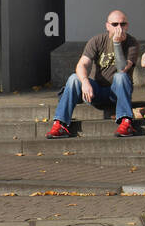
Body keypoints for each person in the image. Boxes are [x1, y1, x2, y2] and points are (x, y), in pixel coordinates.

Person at [45, 10, 140, 138]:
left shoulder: (132, 43)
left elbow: (122, 68)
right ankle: (60, 124)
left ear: (127, 26)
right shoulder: (97, 40)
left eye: (122, 24)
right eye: (115, 24)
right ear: (107, 26)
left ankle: (126, 122)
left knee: (121, 76)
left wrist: (117, 43)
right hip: (95, 91)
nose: (119, 28)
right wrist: (85, 81)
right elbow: (81, 65)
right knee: (74, 78)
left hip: (117, 92)